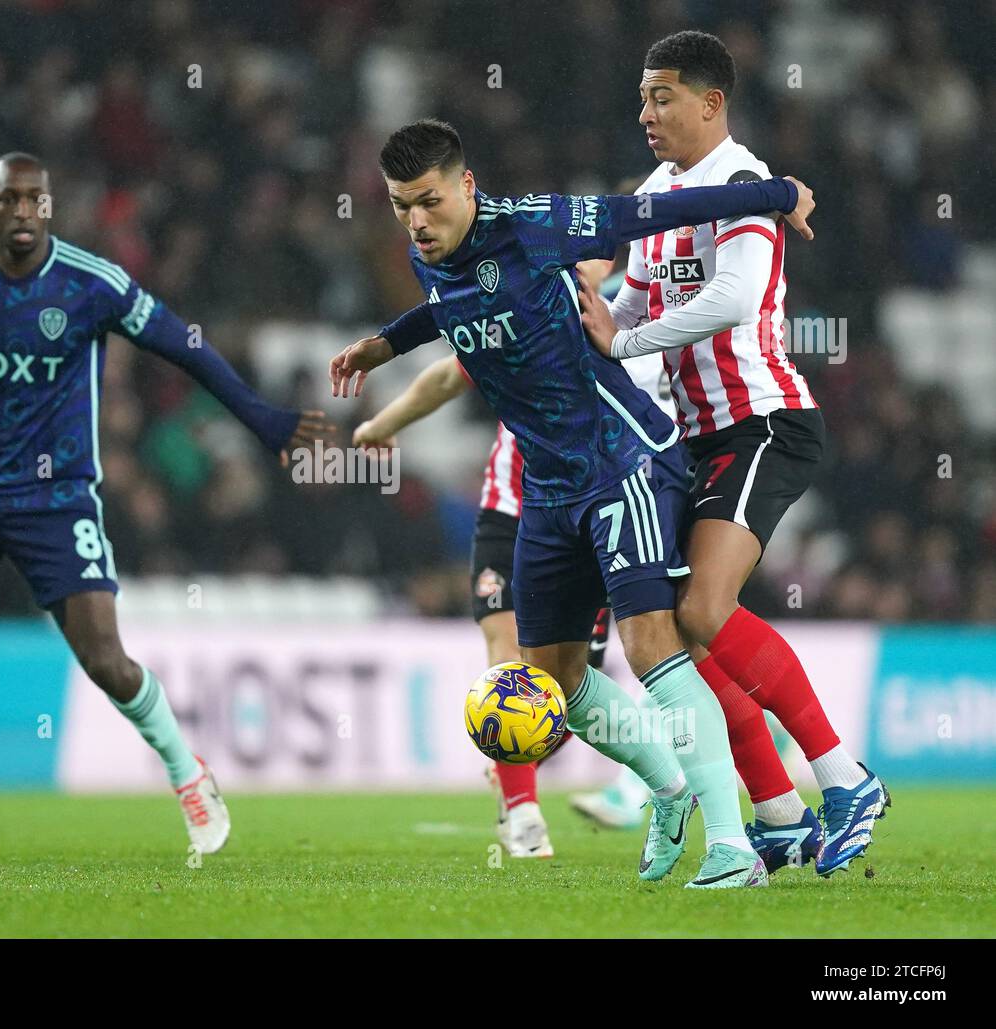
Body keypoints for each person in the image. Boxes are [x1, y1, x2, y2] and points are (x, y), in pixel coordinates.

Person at [330, 119, 815, 887]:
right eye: (399, 207)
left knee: (652, 641)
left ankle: (733, 845)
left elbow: (644, 217)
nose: (416, 222)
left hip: (623, 457)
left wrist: (776, 192)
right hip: (547, 487)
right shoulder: (431, 255)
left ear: (466, 186)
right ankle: (669, 788)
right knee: (549, 677)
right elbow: (449, 310)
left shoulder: (533, 225)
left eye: (427, 202)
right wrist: (384, 345)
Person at [0, 152, 328, 857]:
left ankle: (189, 774)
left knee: (104, 658)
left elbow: (183, 345)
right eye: (11, 200)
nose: (24, 211)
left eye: (36, 200)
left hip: (55, 496)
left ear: (48, 209)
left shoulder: (94, 284)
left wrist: (262, 418)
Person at [578, 30, 889, 876]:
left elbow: (735, 295)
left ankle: (843, 776)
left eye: (662, 97)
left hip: (763, 421)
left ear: (711, 103)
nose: (645, 112)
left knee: (706, 608)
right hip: (697, 435)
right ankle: (781, 814)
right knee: (679, 629)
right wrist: (592, 324)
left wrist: (624, 337)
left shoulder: (744, 183)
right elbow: (628, 302)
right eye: (642, 97)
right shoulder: (656, 191)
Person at [353, 261, 670, 854]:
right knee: (508, 659)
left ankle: (661, 786)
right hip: (511, 512)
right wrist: (383, 422)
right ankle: (523, 815)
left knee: (565, 690)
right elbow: (451, 377)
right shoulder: (531, 315)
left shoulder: (645, 337)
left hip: (591, 519)